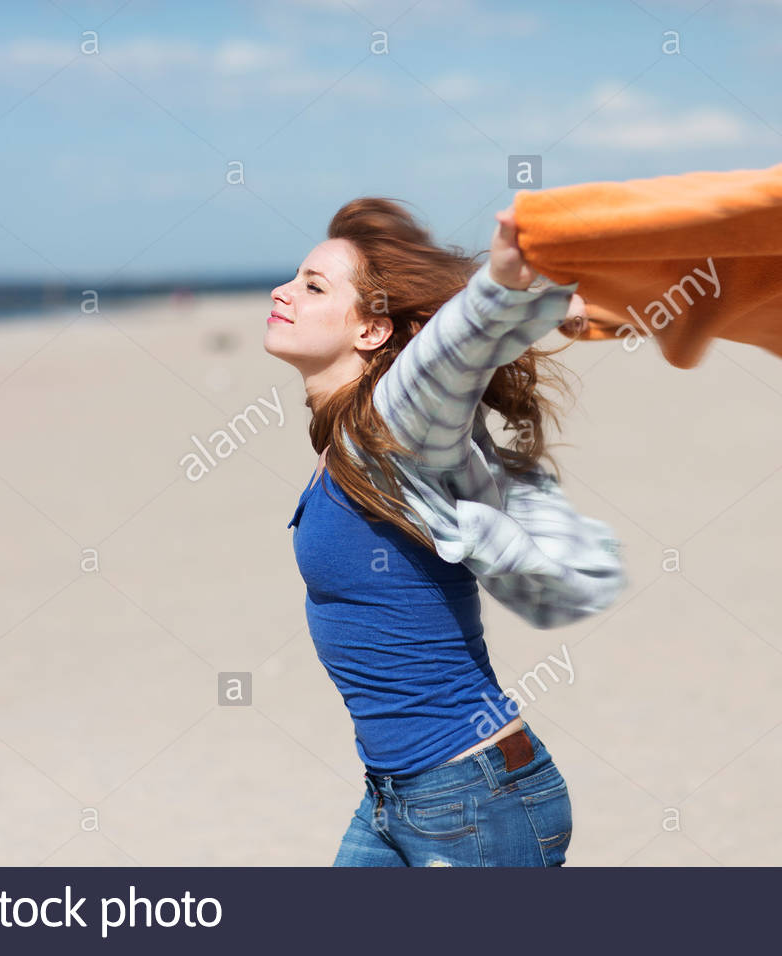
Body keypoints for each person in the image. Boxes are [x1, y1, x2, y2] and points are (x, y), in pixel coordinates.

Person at [265, 195, 624, 866]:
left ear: (371, 332)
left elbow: (446, 359)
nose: (283, 292)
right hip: (397, 797)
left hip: (470, 797)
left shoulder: (394, 426)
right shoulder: (344, 442)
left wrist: (513, 285)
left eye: (313, 286)